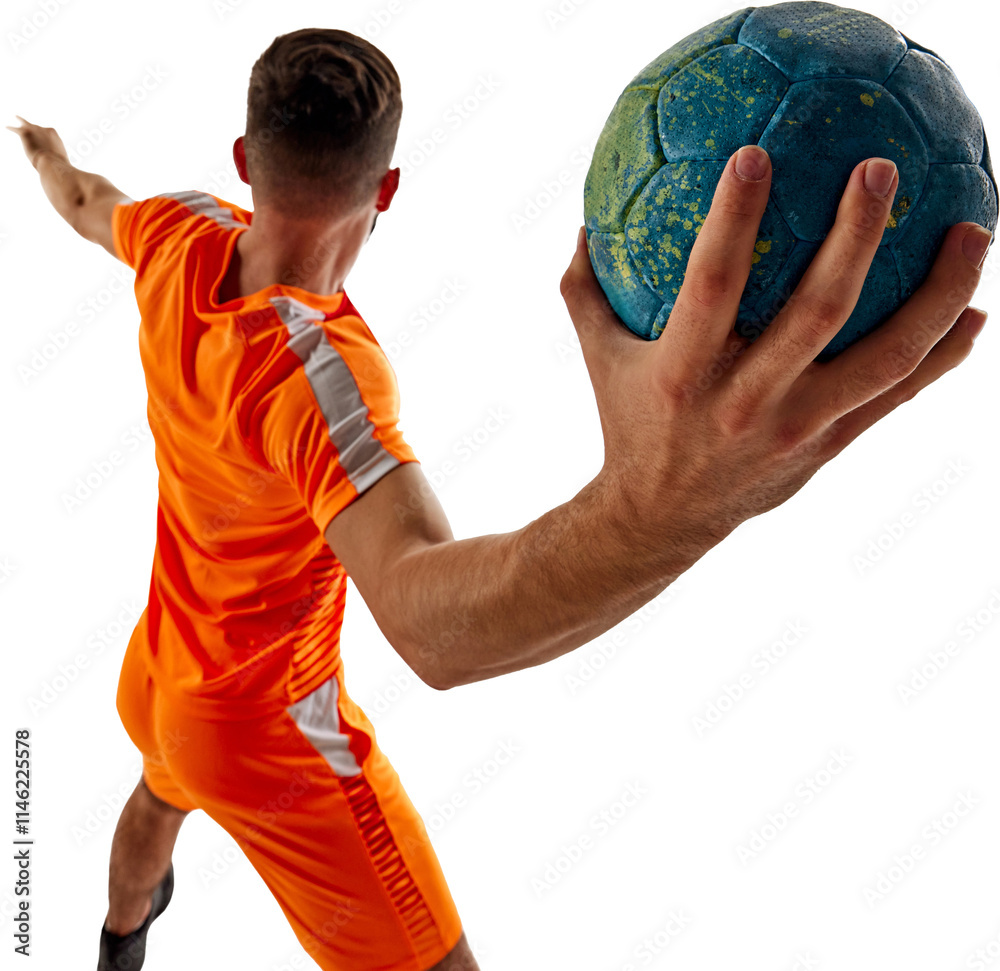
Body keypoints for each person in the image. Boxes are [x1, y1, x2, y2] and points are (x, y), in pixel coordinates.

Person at [7, 22, 992, 971]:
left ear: (243, 158)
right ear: (387, 185)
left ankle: (115, 948)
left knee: (155, 794)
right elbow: (434, 625)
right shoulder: (318, 371)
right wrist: (660, 508)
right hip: (263, 731)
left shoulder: (176, 232)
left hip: (161, 664)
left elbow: (87, 198)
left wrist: (43, 150)